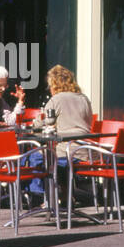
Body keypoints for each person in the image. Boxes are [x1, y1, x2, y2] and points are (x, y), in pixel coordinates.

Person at [26, 65, 93, 196]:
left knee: (34, 156)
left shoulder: (56, 99)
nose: (49, 89)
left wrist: (37, 122)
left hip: (66, 151)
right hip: (86, 152)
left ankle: (38, 196)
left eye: (50, 85)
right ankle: (62, 194)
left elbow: (40, 124)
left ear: (55, 84)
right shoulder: (84, 98)